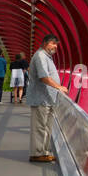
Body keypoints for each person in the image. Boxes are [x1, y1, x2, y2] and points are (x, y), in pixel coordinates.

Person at [27, 34, 68, 163]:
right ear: (44, 43)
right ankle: (37, 153)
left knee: (46, 126)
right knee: (40, 126)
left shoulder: (47, 57)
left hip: (47, 98)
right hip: (41, 98)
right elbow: (43, 76)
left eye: (56, 44)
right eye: (52, 43)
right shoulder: (40, 56)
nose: (55, 46)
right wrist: (58, 87)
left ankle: (43, 152)